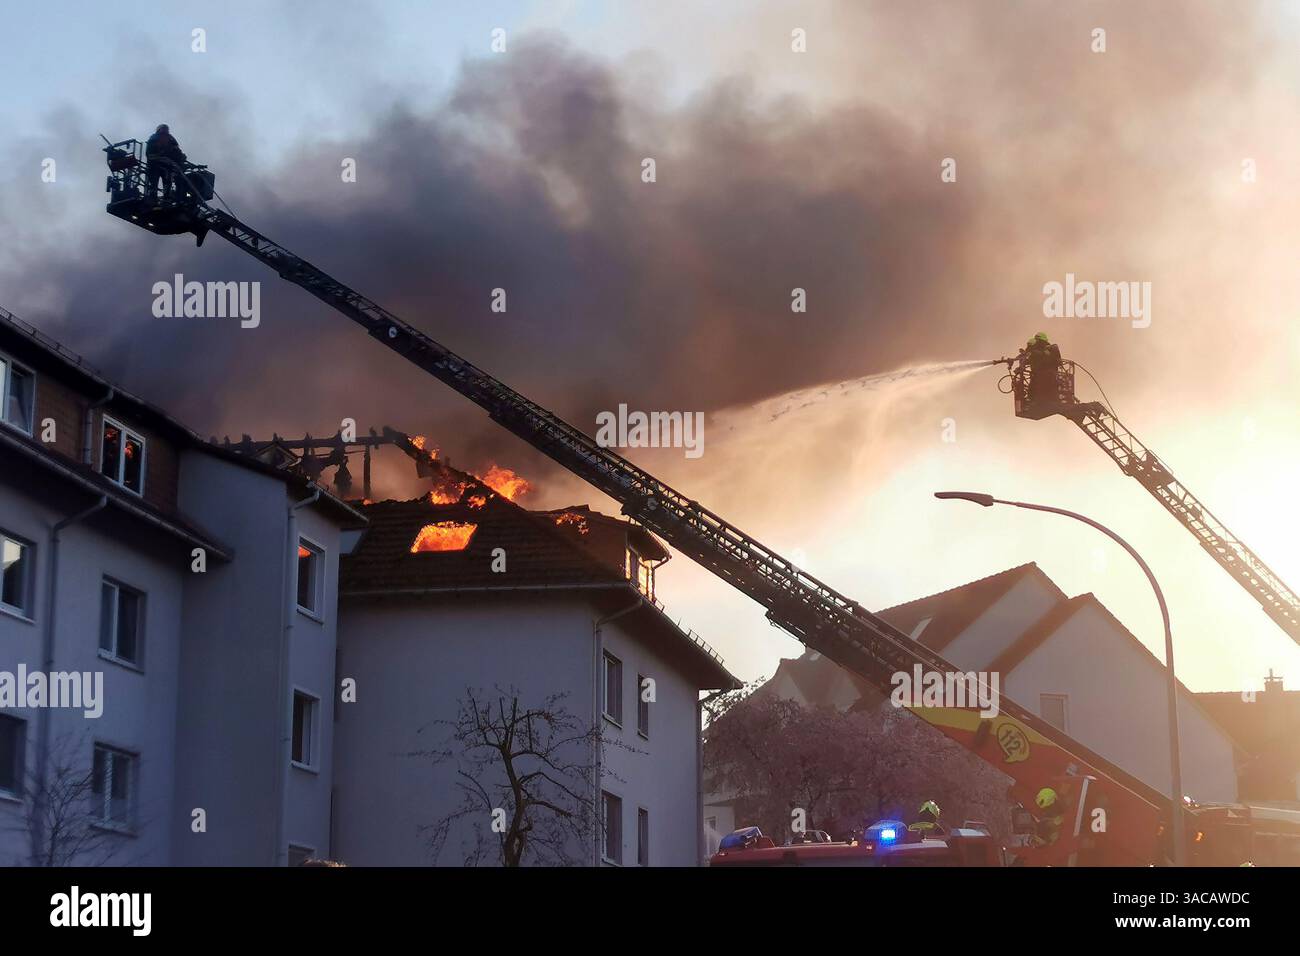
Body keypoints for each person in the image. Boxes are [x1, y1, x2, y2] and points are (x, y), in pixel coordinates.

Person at [145, 124, 186, 198]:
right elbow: (149, 153)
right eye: (163, 128)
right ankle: (153, 197)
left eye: (166, 129)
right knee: (154, 182)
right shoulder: (154, 138)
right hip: (155, 165)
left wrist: (181, 156)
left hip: (167, 166)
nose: (165, 130)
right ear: (159, 130)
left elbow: (177, 150)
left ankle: (167, 197)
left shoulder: (171, 139)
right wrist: (161, 155)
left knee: (167, 182)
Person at [1023, 331, 1063, 406]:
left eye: (1038, 341)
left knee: (1041, 382)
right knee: (1036, 382)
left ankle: (1039, 400)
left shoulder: (1050, 349)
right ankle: (1035, 399)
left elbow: (1051, 360)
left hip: (1047, 374)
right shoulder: (1036, 352)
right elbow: (1030, 360)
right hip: (1041, 374)